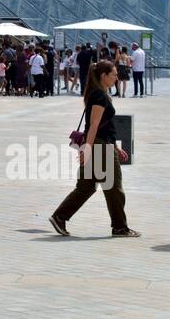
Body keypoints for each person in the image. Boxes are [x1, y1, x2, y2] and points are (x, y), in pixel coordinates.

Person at [49, 61, 139, 238]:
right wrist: (88, 149)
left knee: (86, 187)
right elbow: (94, 125)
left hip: (100, 144)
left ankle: (59, 217)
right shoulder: (100, 96)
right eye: (113, 74)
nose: (116, 77)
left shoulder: (97, 94)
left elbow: (103, 126)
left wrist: (114, 147)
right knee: (114, 187)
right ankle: (120, 227)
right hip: (99, 146)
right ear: (103, 76)